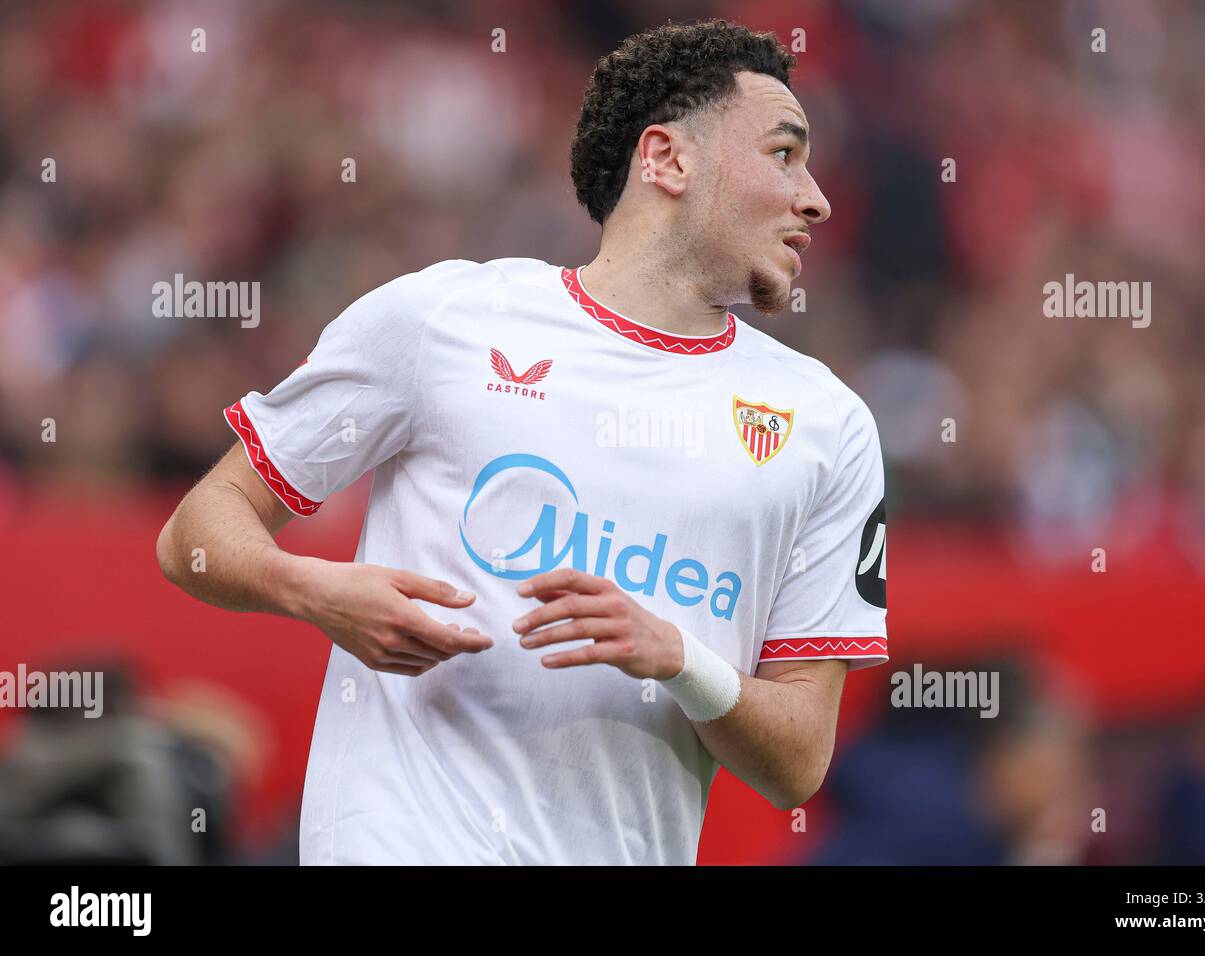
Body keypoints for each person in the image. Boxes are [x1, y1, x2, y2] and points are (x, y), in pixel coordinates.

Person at [157, 18, 889, 865]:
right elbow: (196, 532)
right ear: (666, 159)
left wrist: (680, 658)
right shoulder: (444, 320)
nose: (817, 198)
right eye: (784, 154)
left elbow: (800, 761)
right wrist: (313, 589)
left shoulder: (826, 427)